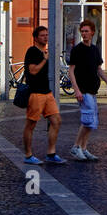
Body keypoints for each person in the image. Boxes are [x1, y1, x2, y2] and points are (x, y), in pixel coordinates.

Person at [67, 18, 107, 161]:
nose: (84, 34)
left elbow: (98, 68)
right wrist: (76, 90)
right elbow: (71, 71)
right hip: (83, 90)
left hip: (92, 90)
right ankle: (76, 147)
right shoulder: (77, 50)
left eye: (86, 31)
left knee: (91, 121)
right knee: (88, 120)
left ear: (92, 33)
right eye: (82, 31)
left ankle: (83, 148)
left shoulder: (94, 49)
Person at [22, 26, 64, 165]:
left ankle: (51, 153)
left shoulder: (44, 52)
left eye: (47, 35)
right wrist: (45, 60)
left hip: (47, 92)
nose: (45, 37)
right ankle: (28, 155)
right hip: (35, 93)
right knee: (31, 125)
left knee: (56, 120)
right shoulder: (32, 51)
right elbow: (33, 71)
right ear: (35, 38)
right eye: (42, 35)